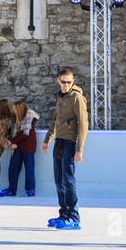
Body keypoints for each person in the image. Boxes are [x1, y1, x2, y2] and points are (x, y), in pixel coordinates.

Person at [42, 69, 88, 229]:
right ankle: (64, 214)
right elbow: (55, 120)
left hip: (70, 143)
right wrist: (47, 139)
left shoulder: (77, 98)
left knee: (68, 180)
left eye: (69, 82)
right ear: (58, 81)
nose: (66, 84)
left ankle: (74, 217)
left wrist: (79, 148)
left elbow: (83, 124)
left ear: (73, 82)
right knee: (59, 180)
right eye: (63, 82)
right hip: (59, 142)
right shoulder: (60, 97)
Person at [3, 100, 38, 196]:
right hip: (17, 146)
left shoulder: (30, 116)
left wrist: (12, 142)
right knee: (13, 168)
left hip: (28, 146)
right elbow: (12, 129)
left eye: (14, 110)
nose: (13, 111)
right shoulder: (15, 116)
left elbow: (25, 133)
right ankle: (12, 189)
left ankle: (30, 189)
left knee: (29, 168)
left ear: (19, 109)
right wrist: (7, 138)